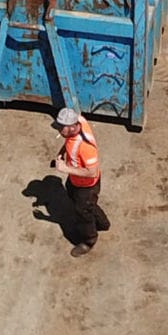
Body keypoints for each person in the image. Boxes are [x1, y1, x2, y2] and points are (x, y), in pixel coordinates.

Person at [51, 106, 110, 256]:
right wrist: (62, 152)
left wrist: (66, 169)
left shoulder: (86, 148)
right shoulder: (79, 122)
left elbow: (92, 172)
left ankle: (89, 240)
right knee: (73, 194)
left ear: (71, 127)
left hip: (87, 187)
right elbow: (69, 142)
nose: (58, 130)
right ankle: (102, 222)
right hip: (75, 181)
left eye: (60, 128)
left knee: (83, 212)